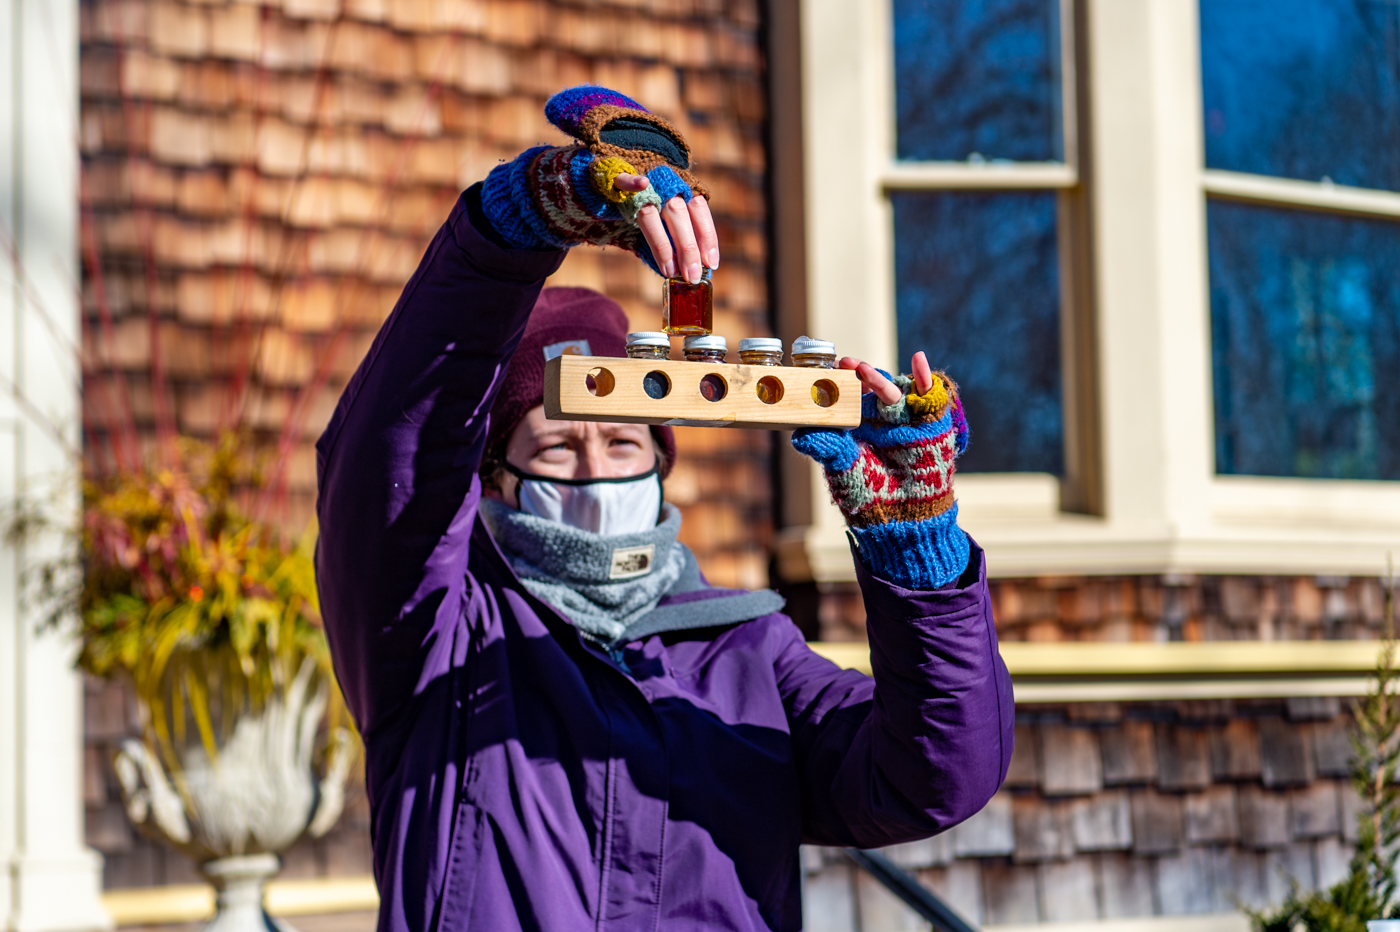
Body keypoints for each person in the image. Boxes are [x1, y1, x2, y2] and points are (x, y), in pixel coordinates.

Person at [315, 85, 1013, 932]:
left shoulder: (749, 652)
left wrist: (920, 561)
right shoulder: (437, 634)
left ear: (659, 464)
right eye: (558, 446)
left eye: (623, 445)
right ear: (495, 475)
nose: (595, 467)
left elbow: (935, 777)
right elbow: (400, 448)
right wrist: (515, 226)